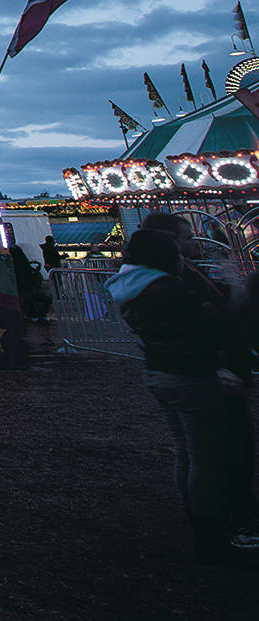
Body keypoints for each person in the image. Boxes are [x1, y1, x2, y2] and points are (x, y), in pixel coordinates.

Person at [110, 229, 257, 566]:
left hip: (159, 371)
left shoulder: (132, 286)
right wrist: (236, 289)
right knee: (206, 457)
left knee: (186, 453)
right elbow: (215, 321)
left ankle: (200, 519)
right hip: (190, 374)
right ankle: (209, 531)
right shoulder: (167, 291)